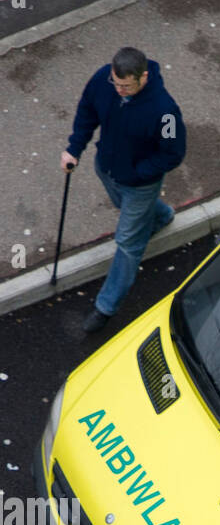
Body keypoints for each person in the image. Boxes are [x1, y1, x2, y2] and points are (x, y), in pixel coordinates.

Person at [61, 46, 186, 333]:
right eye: (116, 84)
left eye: (125, 86)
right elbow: (88, 110)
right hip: (106, 169)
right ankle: (162, 216)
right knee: (132, 212)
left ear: (143, 77)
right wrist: (73, 148)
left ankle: (105, 307)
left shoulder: (165, 111)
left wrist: (137, 174)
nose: (118, 90)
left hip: (140, 185)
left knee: (128, 243)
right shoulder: (104, 80)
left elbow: (173, 154)